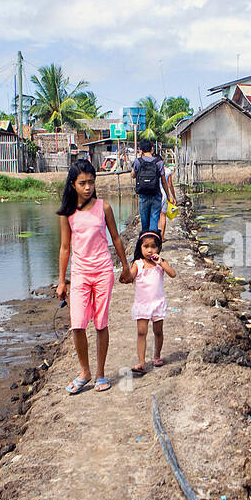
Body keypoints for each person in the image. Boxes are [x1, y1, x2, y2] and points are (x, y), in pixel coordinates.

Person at [56, 159, 133, 393]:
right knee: (77, 325)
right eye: (82, 183)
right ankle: (85, 371)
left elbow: (116, 238)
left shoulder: (104, 207)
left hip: (103, 272)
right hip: (79, 273)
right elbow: (65, 248)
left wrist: (126, 267)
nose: (88, 187)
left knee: (100, 324)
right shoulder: (67, 214)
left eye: (91, 182)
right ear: (73, 185)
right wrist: (61, 280)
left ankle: (100, 374)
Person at [129, 230, 176, 373]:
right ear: (140, 248)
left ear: (159, 248)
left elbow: (173, 274)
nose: (150, 250)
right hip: (142, 304)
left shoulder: (160, 263)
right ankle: (141, 362)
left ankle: (157, 356)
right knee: (141, 332)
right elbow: (129, 277)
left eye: (153, 246)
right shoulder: (138, 264)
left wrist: (160, 262)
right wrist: (125, 272)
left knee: (158, 331)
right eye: (146, 246)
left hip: (157, 303)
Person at [132, 139, 174, 232]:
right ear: (152, 149)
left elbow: (133, 175)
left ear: (141, 150)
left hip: (143, 195)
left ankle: (145, 243)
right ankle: (154, 242)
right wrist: (168, 196)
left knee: (144, 224)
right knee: (154, 220)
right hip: (156, 195)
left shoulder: (138, 161)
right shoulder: (159, 162)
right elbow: (164, 182)